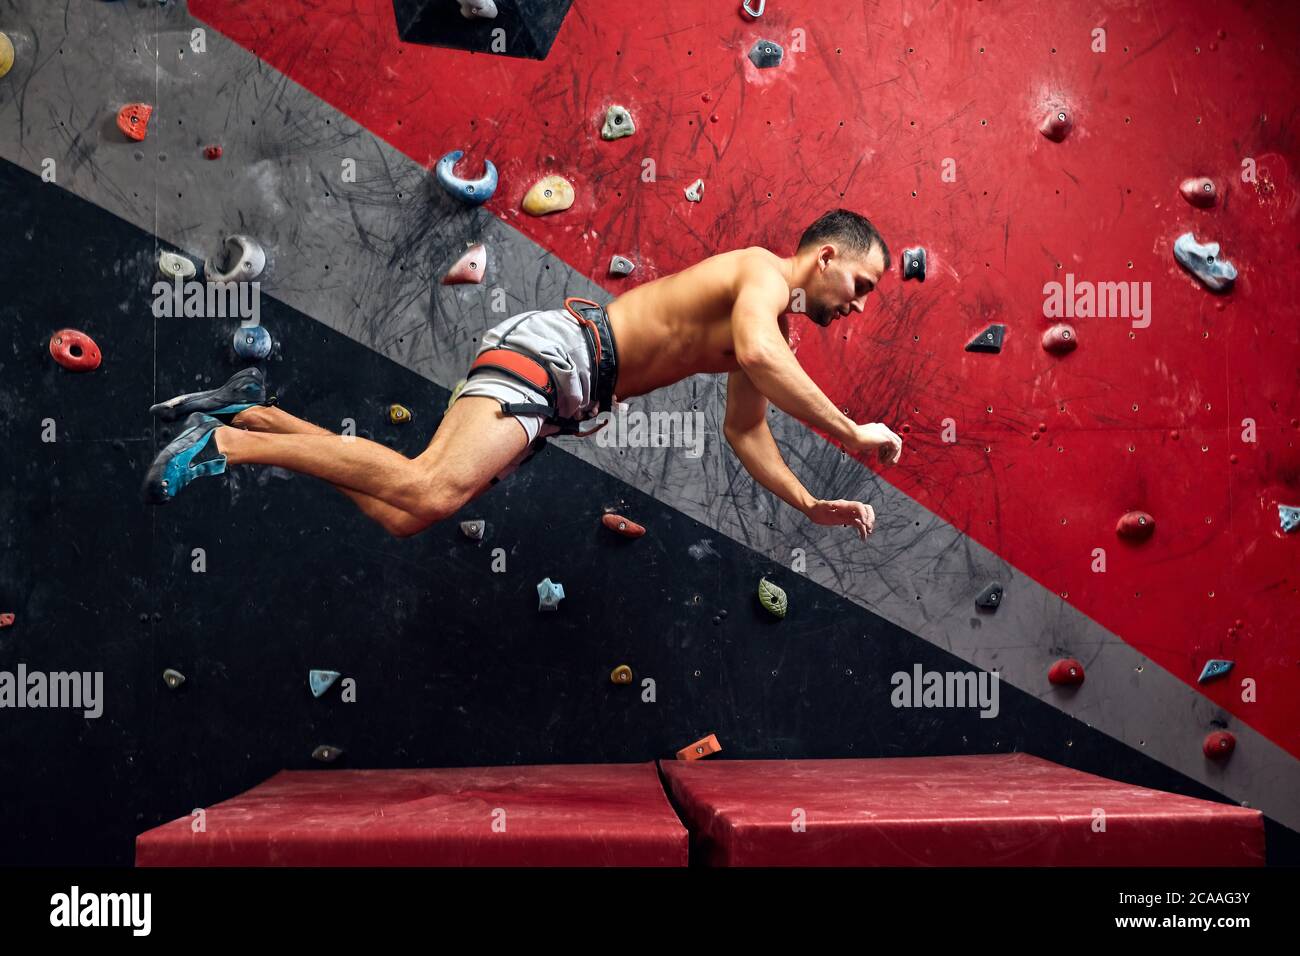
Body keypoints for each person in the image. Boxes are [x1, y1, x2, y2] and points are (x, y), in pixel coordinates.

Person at [143, 208, 904, 541]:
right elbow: (767, 362)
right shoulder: (764, 276)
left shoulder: (768, 326)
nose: (859, 308)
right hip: (560, 354)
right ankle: (221, 446)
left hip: (566, 388)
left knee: (407, 515)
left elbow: (745, 428)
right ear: (826, 256)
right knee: (430, 487)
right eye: (862, 288)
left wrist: (809, 503)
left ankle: (255, 413)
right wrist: (851, 432)